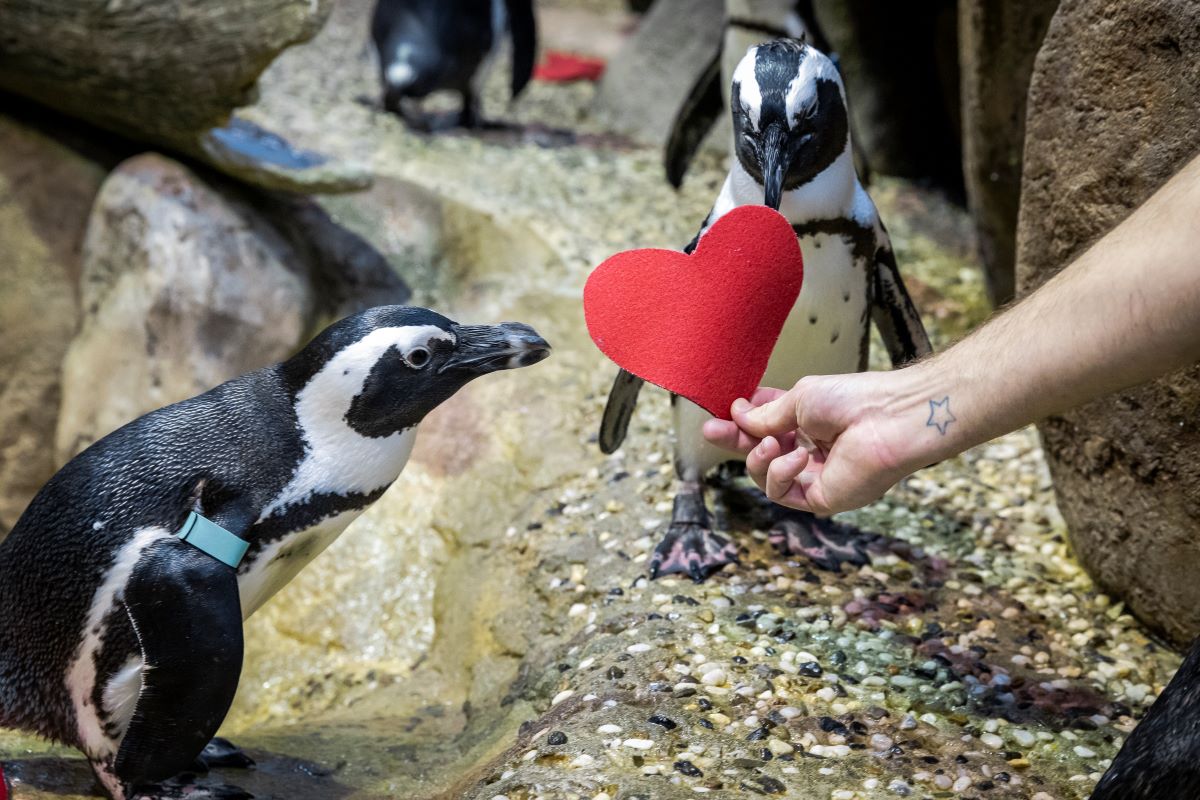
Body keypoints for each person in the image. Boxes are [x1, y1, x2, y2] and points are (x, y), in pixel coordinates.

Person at [703, 152, 1200, 515]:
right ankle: (691, 488)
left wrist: (910, 401)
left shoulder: (853, 215)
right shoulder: (730, 218)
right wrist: (905, 408)